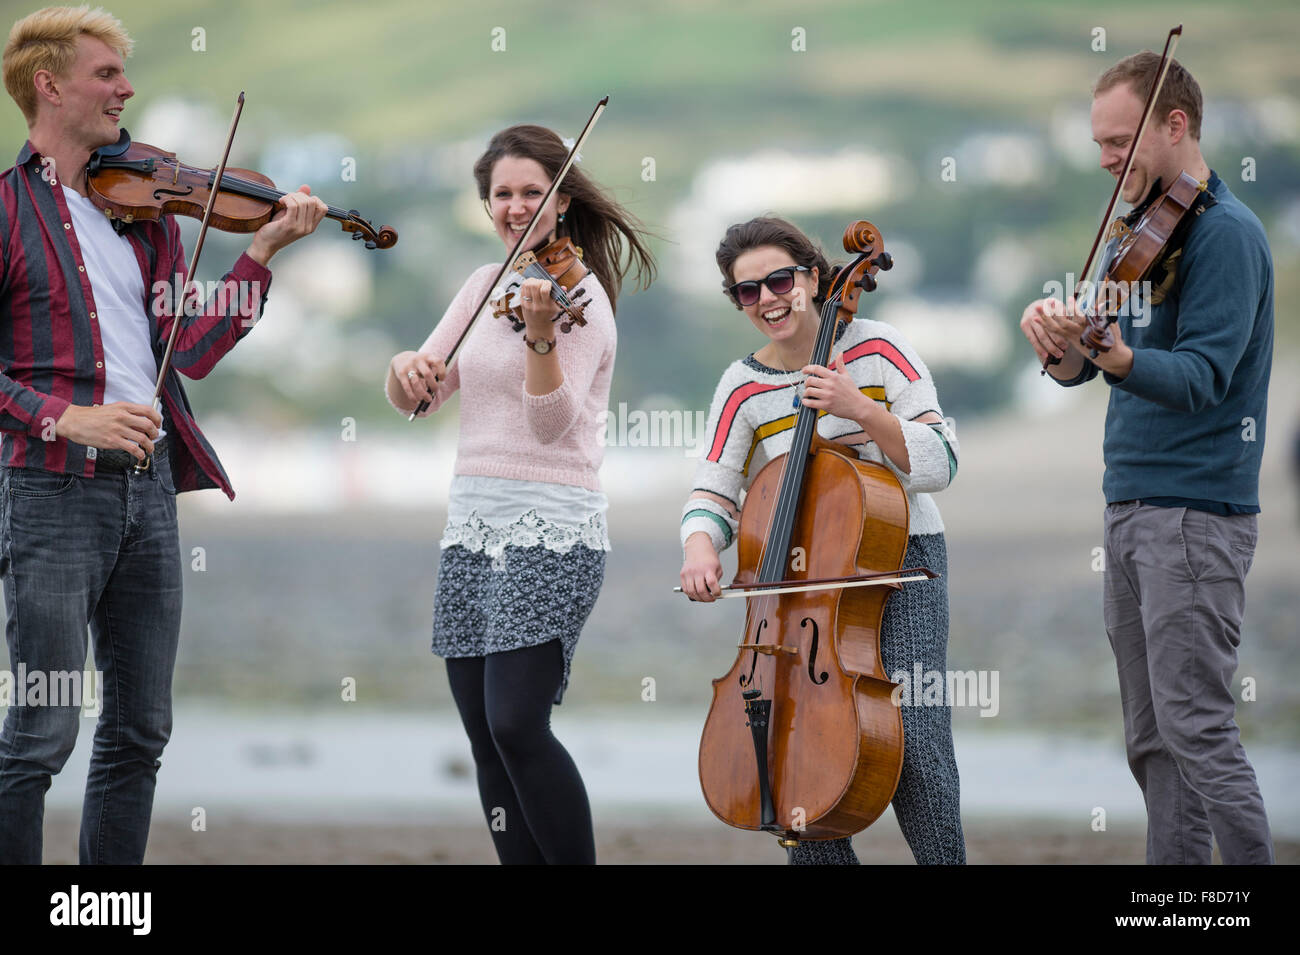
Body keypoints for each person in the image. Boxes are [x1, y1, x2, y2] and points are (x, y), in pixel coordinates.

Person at [0, 6, 326, 865]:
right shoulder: (3, 211)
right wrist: (62, 414)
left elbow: (197, 348)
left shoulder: (147, 215)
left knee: (141, 730)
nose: (126, 89)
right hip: (49, 489)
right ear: (50, 85)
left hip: (145, 492)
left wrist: (261, 254)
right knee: (40, 730)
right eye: (106, 73)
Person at [1019, 52, 1274, 864]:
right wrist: (1058, 345)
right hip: (1130, 505)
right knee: (1151, 739)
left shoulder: (1226, 235)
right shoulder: (1138, 233)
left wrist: (1120, 359)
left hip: (1196, 514)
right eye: (1099, 145)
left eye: (1121, 145)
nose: (1106, 162)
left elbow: (1203, 378)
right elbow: (1083, 365)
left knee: (1196, 728)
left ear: (1177, 126)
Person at [386, 124, 654, 865]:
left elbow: (549, 425)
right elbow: (418, 398)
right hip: (472, 525)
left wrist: (539, 339)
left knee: (516, 724)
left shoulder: (583, 299)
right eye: (501, 193)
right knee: (483, 734)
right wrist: (406, 363)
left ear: (561, 201)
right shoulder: (481, 286)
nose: (514, 205)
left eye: (531, 191)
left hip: (554, 527)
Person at [679, 216, 965, 865]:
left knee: (917, 748)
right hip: (796, 586)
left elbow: (941, 461)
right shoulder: (742, 386)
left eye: (779, 279)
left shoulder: (879, 350)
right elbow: (714, 490)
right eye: (748, 291)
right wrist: (701, 546)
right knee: (793, 754)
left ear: (812, 276)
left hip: (900, 565)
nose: (768, 299)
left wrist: (859, 407)